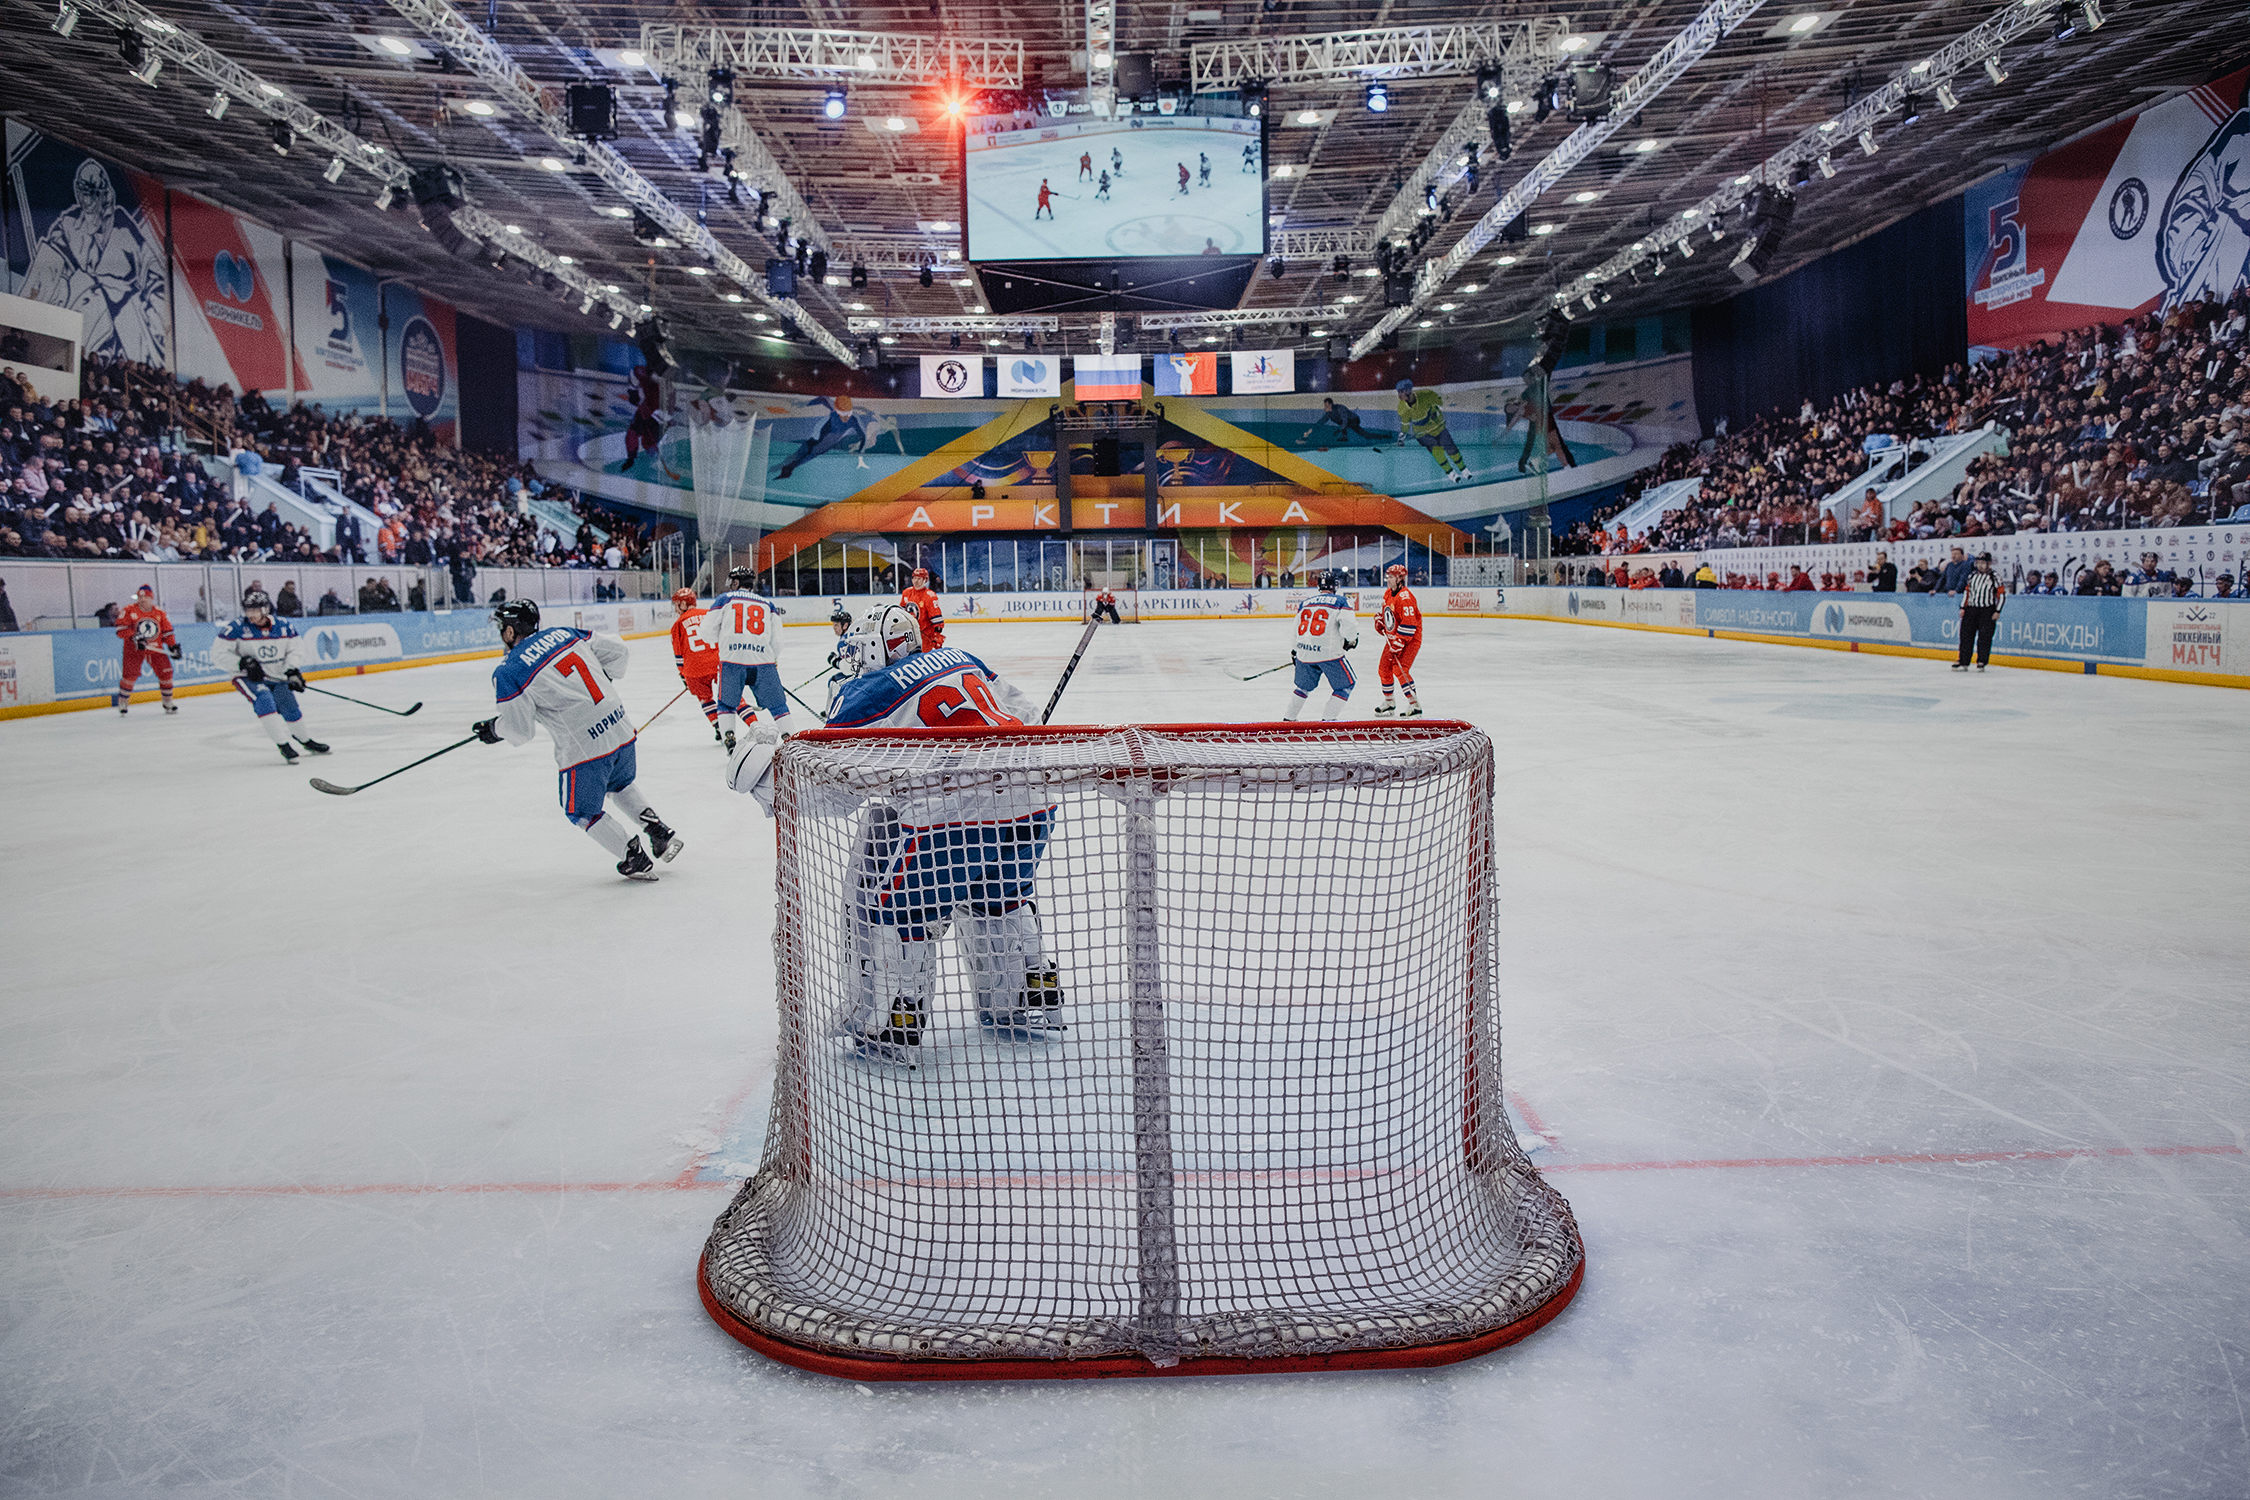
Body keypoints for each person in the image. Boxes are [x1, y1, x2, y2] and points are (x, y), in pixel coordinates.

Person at [730, 603, 1061, 1062]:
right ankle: (1028, 996)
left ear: (871, 650)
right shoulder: (964, 657)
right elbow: (1029, 715)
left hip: (950, 820)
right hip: (1032, 803)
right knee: (999, 900)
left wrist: (767, 777)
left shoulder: (865, 692)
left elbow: (838, 792)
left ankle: (890, 1025)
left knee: (896, 914)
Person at [473, 598, 680, 881]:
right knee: (619, 784)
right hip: (620, 726)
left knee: (581, 811)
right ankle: (658, 829)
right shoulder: (565, 633)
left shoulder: (508, 671)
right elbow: (619, 651)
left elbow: (520, 730)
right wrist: (602, 681)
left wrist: (495, 729)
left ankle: (632, 855)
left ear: (511, 631)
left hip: (585, 747)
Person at [217, 588, 328, 762]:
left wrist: (292, 671)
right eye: (248, 610)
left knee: (289, 705)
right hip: (248, 677)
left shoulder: (284, 626)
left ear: (265, 609)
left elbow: (295, 649)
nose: (250, 614)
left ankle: (304, 739)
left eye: (255, 610)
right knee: (264, 699)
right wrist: (241, 663)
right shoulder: (235, 628)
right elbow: (218, 654)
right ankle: (283, 744)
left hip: (277, 675)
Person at [697, 565, 790, 752]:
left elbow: (706, 632)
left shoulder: (724, 600)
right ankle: (790, 738)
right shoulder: (768, 604)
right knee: (778, 705)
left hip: (732, 660)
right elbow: (778, 640)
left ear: (736, 582)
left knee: (726, 703)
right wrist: (772, 658)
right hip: (763, 661)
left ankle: (729, 738)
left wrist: (725, 639)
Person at [1283, 569, 1358, 721]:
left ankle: (1288, 720)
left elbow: (1295, 629)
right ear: (1335, 586)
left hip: (1304, 653)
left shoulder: (1305, 603)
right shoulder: (1341, 601)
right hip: (1328, 654)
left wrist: (1294, 651)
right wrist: (1350, 640)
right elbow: (1349, 627)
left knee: (1302, 687)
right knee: (1346, 686)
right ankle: (1328, 722)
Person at [669, 587, 725, 746]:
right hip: (718, 662)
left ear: (684, 604)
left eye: (677, 604)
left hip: (695, 668)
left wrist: (683, 676)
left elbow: (679, 656)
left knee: (705, 698)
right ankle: (744, 723)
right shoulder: (708, 614)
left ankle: (718, 726)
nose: (675, 608)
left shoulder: (678, 624)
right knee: (728, 696)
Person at [112, 583, 179, 714]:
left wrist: (173, 646)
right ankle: (123, 701)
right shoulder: (129, 610)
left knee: (166, 673)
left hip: (156, 649)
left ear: (151, 598)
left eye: (145, 597)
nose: (142, 599)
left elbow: (167, 632)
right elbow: (120, 630)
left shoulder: (159, 613)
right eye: (139, 597)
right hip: (134, 650)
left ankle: (168, 702)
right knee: (129, 676)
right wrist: (134, 637)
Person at [1372, 563, 1423, 718]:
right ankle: (1389, 703)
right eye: (1388, 576)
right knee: (1383, 669)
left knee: (1400, 669)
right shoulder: (1388, 594)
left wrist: (1399, 642)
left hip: (1410, 640)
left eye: (1392, 577)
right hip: (1394, 639)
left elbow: (1410, 625)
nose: (1388, 579)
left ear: (1400, 579)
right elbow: (1388, 618)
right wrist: (1379, 622)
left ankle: (1415, 705)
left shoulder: (1405, 598)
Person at [1396, 379, 1469, 483]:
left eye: (1401, 391)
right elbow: (1405, 423)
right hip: (1422, 433)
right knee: (1437, 452)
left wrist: (1435, 411)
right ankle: (1450, 473)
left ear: (1408, 390)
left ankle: (1463, 469)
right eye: (1398, 392)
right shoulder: (1402, 408)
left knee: (1451, 449)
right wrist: (1402, 436)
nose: (1399, 395)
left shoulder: (1426, 394)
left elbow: (1440, 402)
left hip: (1437, 426)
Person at [1954, 551, 2004, 673]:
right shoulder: (1972, 576)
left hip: (1987, 610)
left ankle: (1981, 661)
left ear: (1989, 564)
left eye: (1983, 563)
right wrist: (1962, 608)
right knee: (1966, 636)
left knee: (1984, 637)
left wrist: (1998, 610)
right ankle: (1963, 661)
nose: (1980, 565)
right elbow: (1967, 593)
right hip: (1971, 609)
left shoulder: (1995, 577)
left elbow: (2001, 595)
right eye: (1979, 563)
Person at [1298, 397, 1390, 448]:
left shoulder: (1340, 408)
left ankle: (1384, 436)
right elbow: (1320, 423)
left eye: (1326, 405)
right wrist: (1308, 432)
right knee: (1341, 423)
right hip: (1344, 423)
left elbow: (1345, 421)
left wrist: (1339, 430)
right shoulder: (1329, 413)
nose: (1324, 408)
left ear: (1330, 405)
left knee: (1366, 435)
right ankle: (1344, 436)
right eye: (1324, 405)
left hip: (1354, 420)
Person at [901, 565, 945, 651]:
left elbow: (936, 618)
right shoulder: (906, 593)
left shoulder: (930, 596)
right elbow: (902, 612)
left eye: (919, 579)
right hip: (910, 634)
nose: (915, 581)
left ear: (925, 580)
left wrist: (936, 635)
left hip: (925, 635)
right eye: (914, 578)